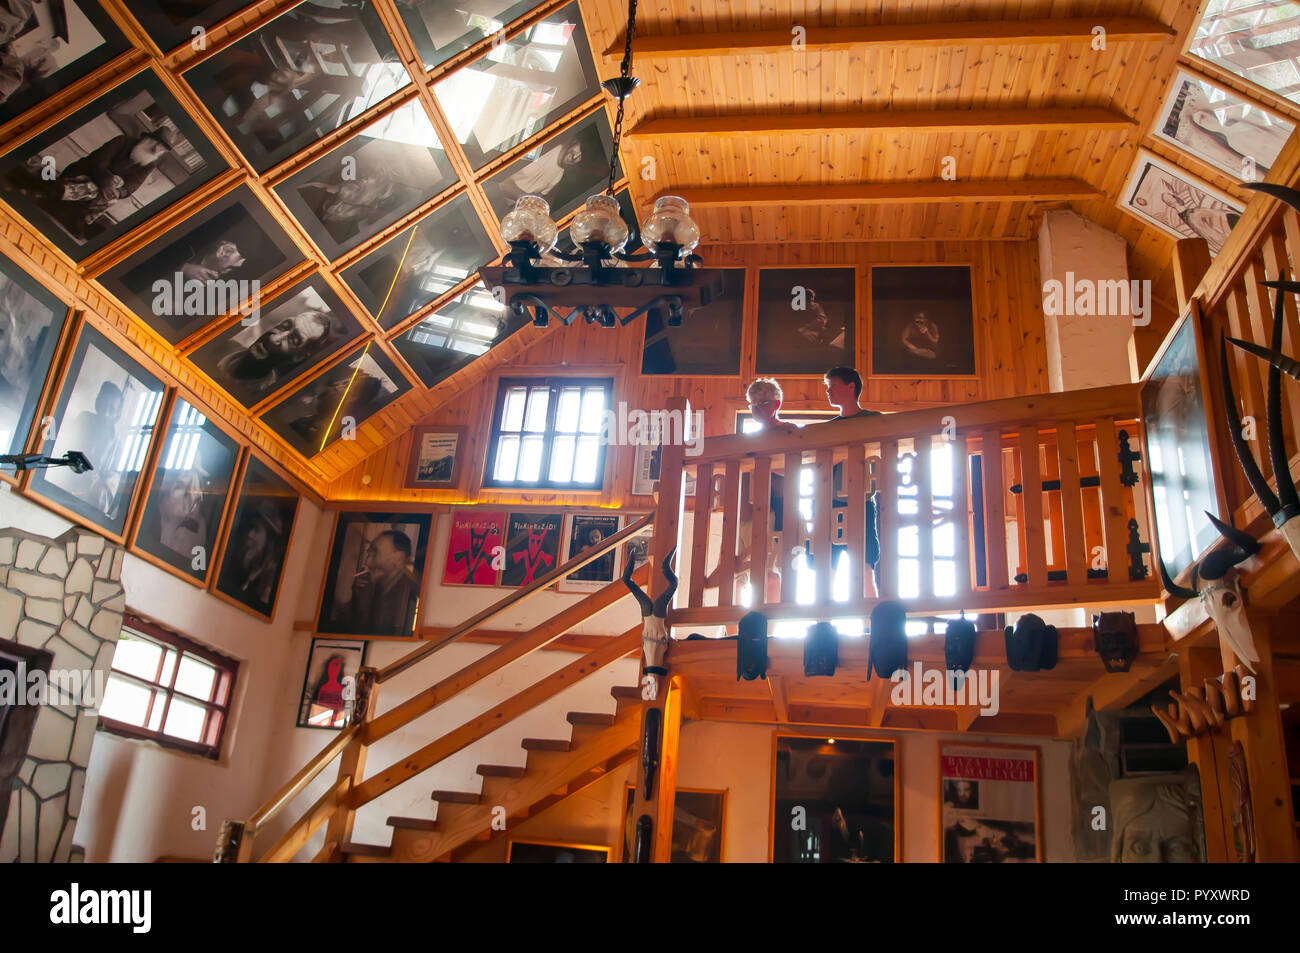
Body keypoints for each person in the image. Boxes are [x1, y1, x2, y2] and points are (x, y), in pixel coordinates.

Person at [824, 366, 884, 572]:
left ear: (851, 387)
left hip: (863, 500)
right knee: (828, 564)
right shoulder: (827, 428)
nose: (828, 391)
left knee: (866, 563)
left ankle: (868, 604)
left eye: (832, 386)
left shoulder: (874, 420)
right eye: (827, 387)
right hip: (831, 502)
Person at [216, 309, 332, 396]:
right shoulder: (219, 346)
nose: (274, 338)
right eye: (283, 327)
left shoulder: (262, 396)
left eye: (294, 340)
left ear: (299, 357)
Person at [341, 529, 418, 636]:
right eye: (370, 551)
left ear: (397, 557)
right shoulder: (369, 584)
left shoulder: (408, 590)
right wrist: (356, 596)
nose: (368, 557)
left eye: (375, 551)